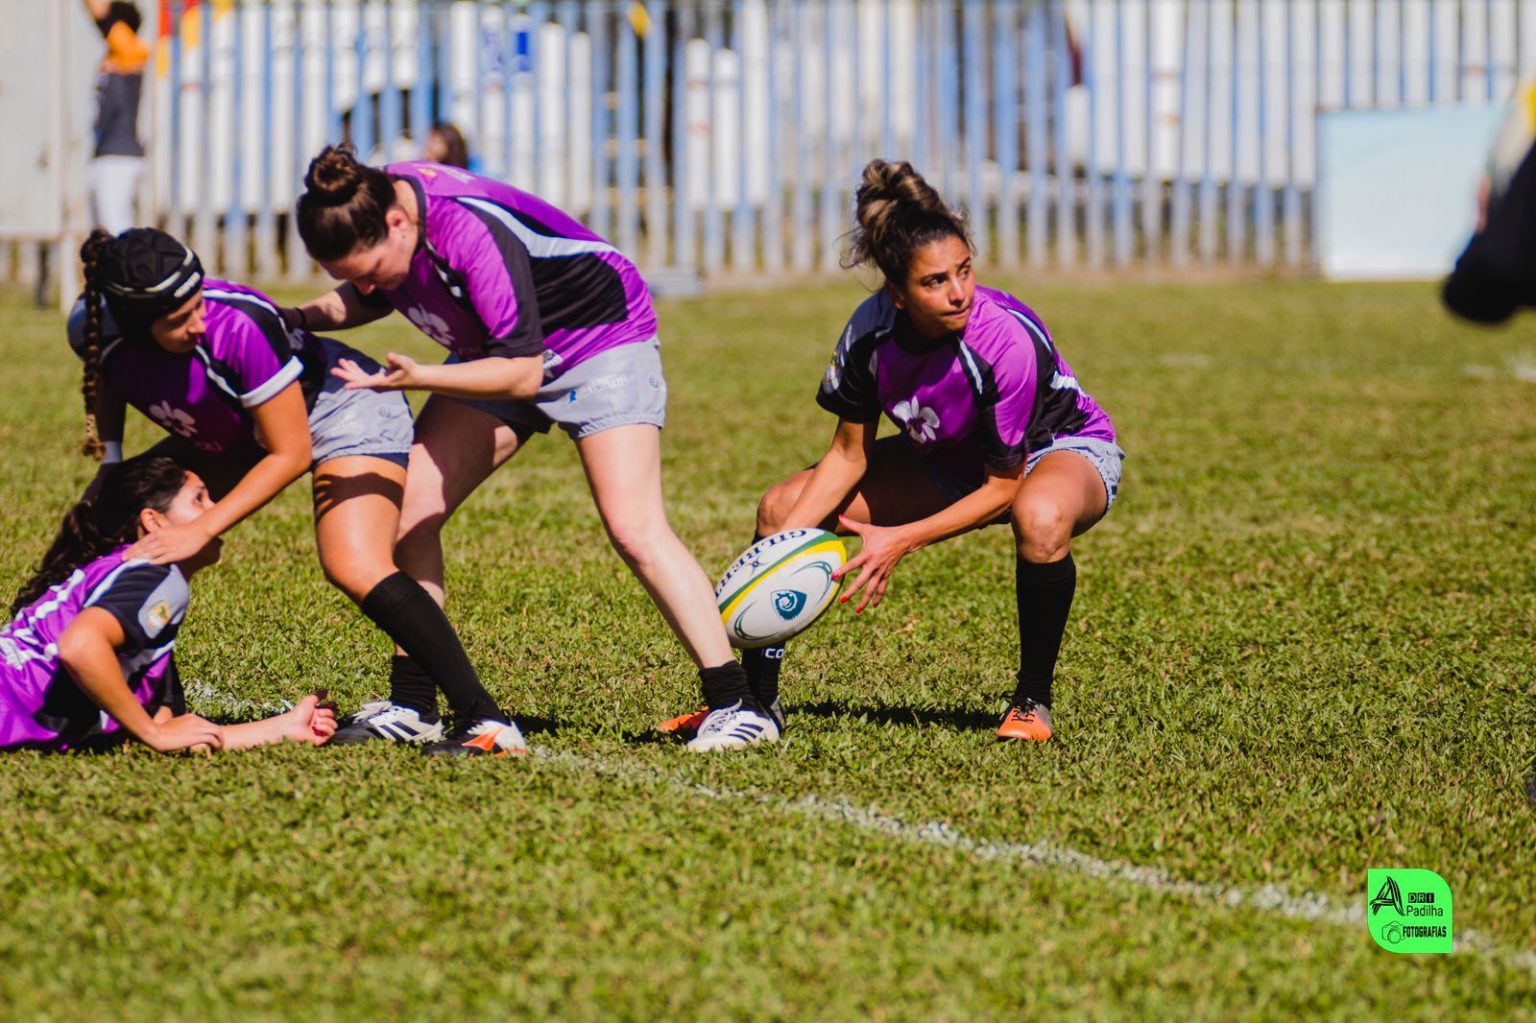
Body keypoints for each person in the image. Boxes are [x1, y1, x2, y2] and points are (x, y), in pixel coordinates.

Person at [285, 144, 772, 752]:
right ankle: (415, 705)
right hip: (501, 349)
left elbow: (521, 374)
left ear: (399, 224)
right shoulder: (377, 206)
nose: (366, 288)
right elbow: (370, 297)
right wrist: (291, 318)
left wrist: (417, 378)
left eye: (373, 271)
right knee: (410, 512)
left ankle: (739, 706)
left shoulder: (465, 229)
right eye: (350, 277)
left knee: (634, 526)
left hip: (598, 339)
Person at [664, 159, 1123, 743]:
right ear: (897, 293)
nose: (959, 293)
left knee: (1039, 517)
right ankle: (755, 706)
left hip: (1052, 453)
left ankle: (1032, 701)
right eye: (935, 282)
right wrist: (776, 554)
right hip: (947, 460)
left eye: (964, 271)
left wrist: (899, 539)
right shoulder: (869, 335)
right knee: (781, 508)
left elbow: (1004, 488)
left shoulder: (1002, 340)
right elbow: (847, 457)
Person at [70, 227, 516, 757]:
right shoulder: (95, 324)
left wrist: (202, 528)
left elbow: (289, 452)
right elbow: (110, 372)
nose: (198, 322)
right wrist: (112, 461)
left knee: (353, 562)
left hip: (340, 408)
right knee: (113, 517)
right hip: (237, 429)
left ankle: (487, 722)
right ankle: (148, 706)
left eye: (198, 303)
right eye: (178, 319)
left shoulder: (239, 326)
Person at [1, 456, 336, 753]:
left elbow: (168, 729)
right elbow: (80, 646)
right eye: (199, 499)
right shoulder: (160, 578)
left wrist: (281, 728)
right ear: (154, 521)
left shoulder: (115, 573)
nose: (216, 510)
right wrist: (154, 733)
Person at [83, 1, 148, 234]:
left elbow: (111, 26)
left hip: (119, 156)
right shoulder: (113, 61)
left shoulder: (130, 57)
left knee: (117, 226)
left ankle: (133, 270)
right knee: (101, 229)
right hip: (104, 153)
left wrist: (105, 14)